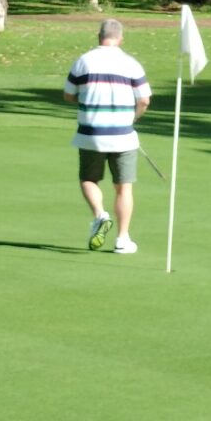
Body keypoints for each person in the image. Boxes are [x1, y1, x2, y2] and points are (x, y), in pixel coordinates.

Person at [64, 18, 151, 253]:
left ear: (98, 36)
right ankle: (122, 239)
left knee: (89, 179)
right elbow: (143, 99)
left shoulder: (83, 61)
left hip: (90, 133)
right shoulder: (131, 64)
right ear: (120, 38)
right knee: (124, 188)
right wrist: (132, 119)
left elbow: (69, 95)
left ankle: (100, 214)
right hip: (123, 135)